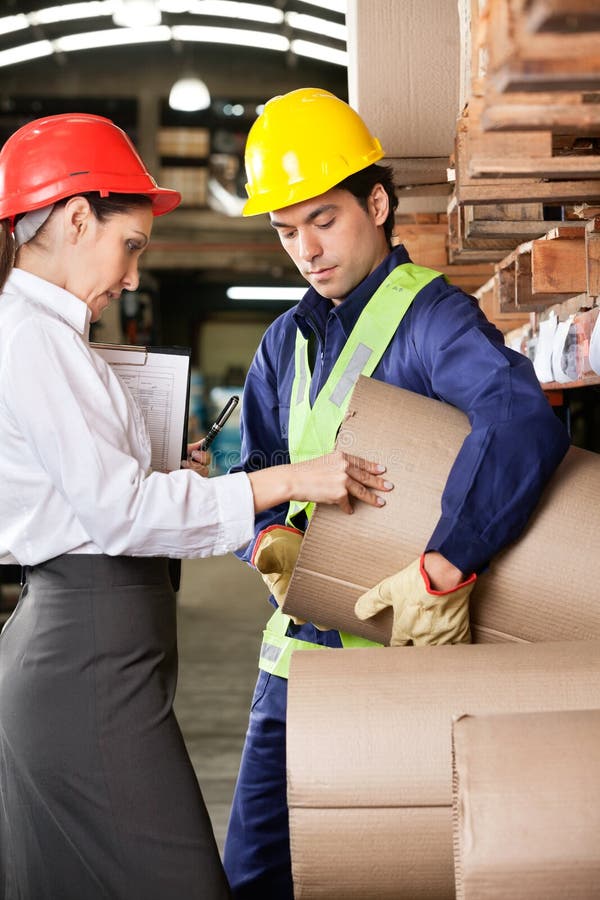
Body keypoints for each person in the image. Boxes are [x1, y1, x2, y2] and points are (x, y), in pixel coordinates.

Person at [0, 112, 393, 900]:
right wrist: (288, 480)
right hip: (85, 662)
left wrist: (159, 473)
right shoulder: (33, 339)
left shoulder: (52, 338)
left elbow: (94, 493)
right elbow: (117, 514)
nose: (135, 276)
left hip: (95, 654)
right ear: (77, 218)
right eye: (132, 245)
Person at [222, 87, 572, 898]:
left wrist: (447, 565)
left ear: (376, 204)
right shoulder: (283, 344)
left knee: (390, 873)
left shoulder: (433, 321)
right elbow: (261, 467)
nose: (305, 248)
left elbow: (520, 417)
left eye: (324, 219)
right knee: (254, 879)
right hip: (293, 673)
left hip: (407, 668)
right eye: (285, 230)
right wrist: (267, 541)